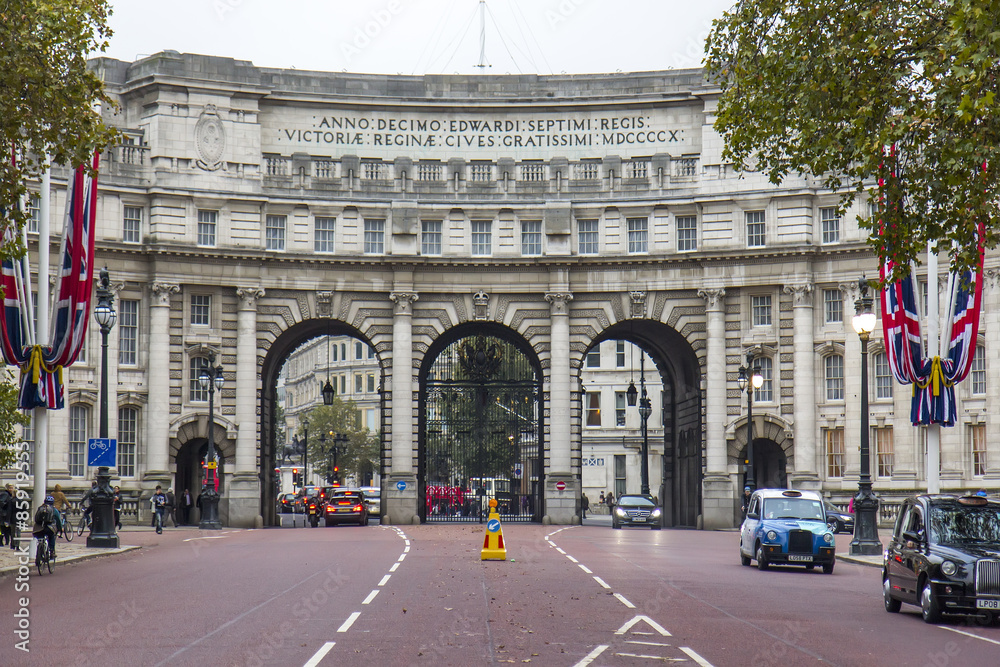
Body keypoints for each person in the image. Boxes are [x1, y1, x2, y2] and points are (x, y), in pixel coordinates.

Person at [32, 495, 61, 562]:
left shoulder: (40, 508)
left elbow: (36, 518)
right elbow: (58, 521)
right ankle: (52, 552)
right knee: (51, 537)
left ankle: (39, 552)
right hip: (49, 528)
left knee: (40, 539)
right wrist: (59, 529)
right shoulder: (54, 510)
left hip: (38, 528)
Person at [0, 483, 14, 548]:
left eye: (12, 488)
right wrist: (7, 505)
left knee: (6, 529)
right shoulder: (5, 494)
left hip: (6, 514)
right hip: (4, 514)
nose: (11, 489)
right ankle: (3, 541)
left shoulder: (10, 495)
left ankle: (7, 542)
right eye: (10, 488)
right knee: (4, 529)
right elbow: (1, 503)